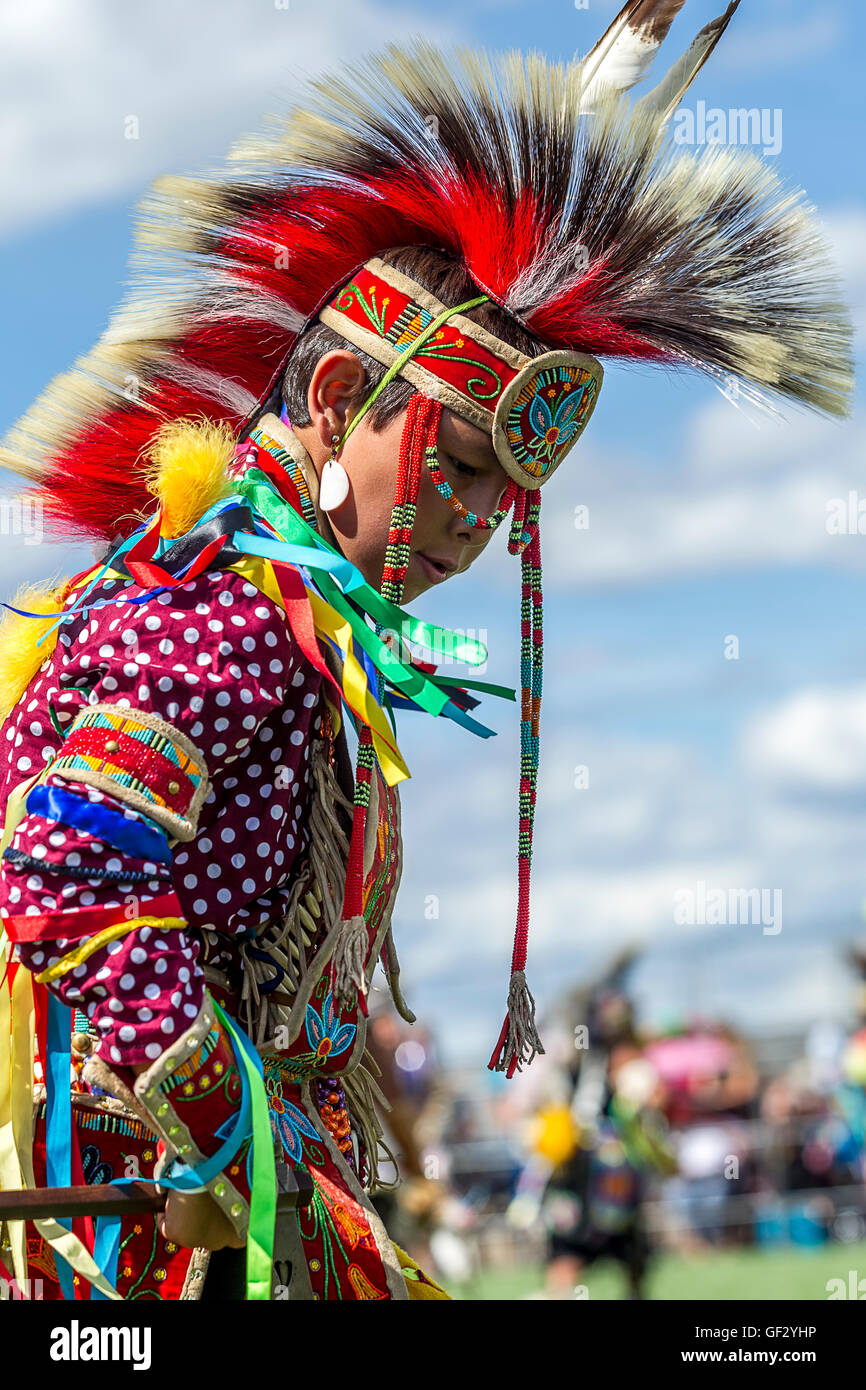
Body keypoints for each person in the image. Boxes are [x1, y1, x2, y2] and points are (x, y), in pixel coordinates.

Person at [0, 1, 853, 1300]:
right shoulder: (222, 601)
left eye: (506, 497)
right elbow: (64, 864)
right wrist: (230, 1130)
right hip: (133, 1221)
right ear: (339, 399)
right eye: (456, 464)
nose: (475, 524)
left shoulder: (284, 604)